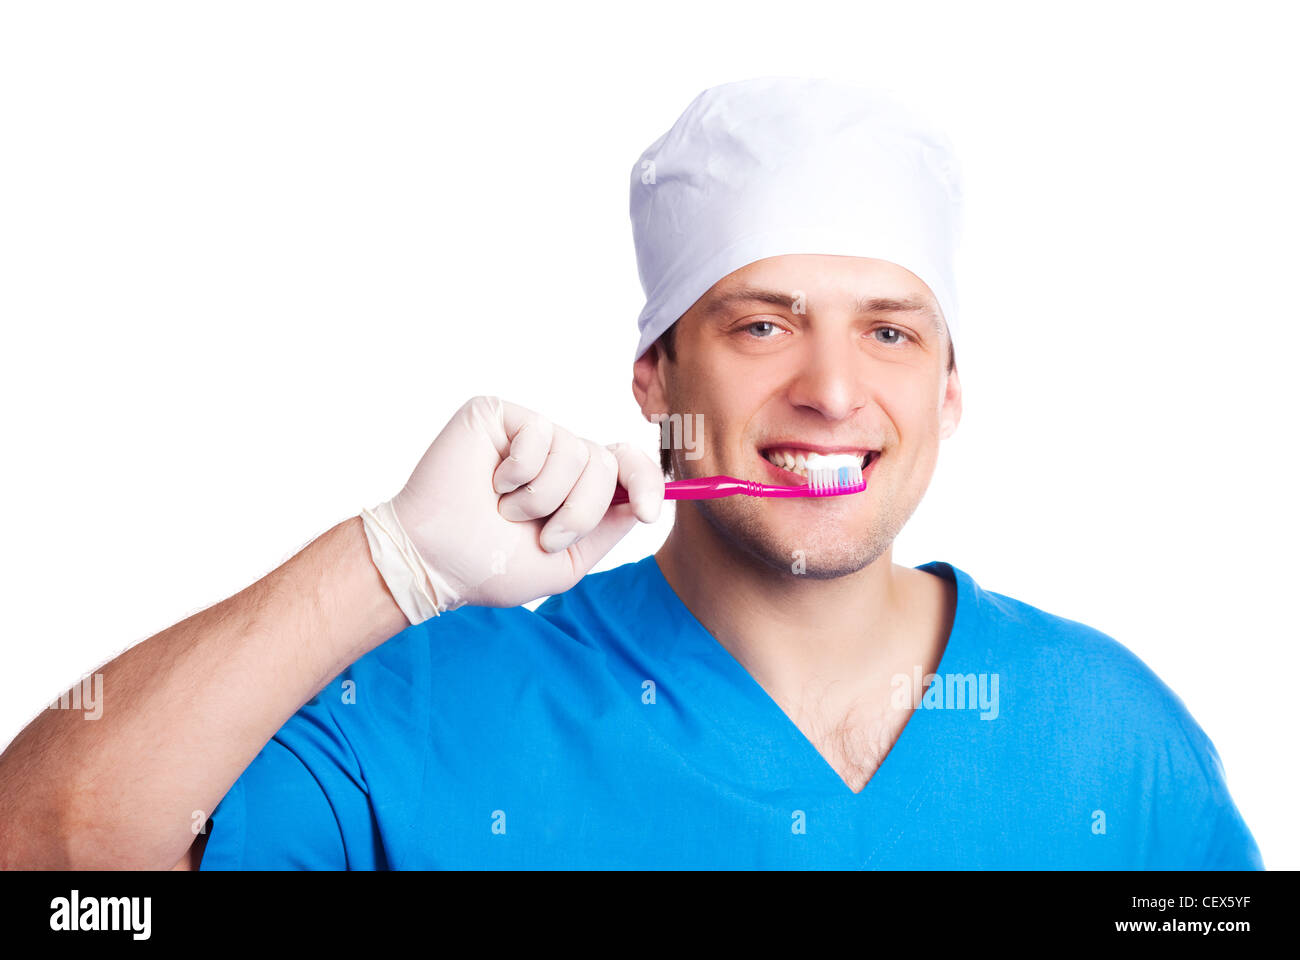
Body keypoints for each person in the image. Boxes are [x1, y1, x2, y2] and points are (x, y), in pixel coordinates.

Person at [0, 78, 1262, 870]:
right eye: (761, 325)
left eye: (889, 332)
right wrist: (389, 564)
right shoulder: (425, 716)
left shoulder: (1113, 738)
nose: (833, 390)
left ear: (948, 391)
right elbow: (50, 857)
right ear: (653, 379)